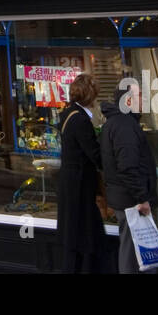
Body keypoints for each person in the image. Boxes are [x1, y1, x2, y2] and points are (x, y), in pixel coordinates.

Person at [100, 77, 158, 273]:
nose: (143, 100)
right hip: (132, 201)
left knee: (134, 249)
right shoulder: (124, 125)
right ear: (127, 101)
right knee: (134, 252)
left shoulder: (117, 122)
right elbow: (127, 166)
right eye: (140, 96)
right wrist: (142, 198)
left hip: (127, 198)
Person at [57, 73, 107, 273]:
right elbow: (94, 154)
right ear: (89, 96)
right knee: (83, 228)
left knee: (76, 227)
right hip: (79, 182)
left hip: (70, 179)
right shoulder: (81, 120)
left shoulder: (68, 114)